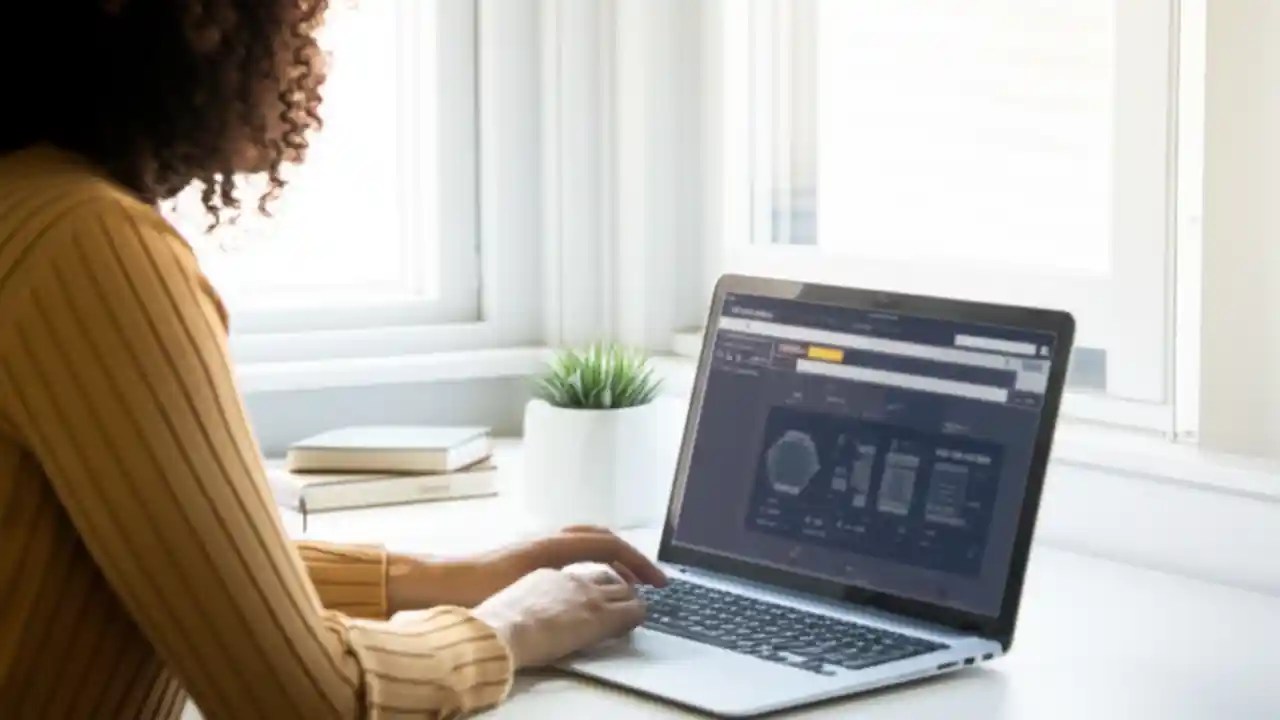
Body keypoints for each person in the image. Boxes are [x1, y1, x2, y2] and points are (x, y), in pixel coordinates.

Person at [0, 1, 666, 717]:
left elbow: (182, 562)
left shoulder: (27, 206)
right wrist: (512, 625)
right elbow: (305, 700)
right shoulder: (91, 246)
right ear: (203, 19)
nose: (313, 62)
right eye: (299, 24)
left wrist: (447, 575)